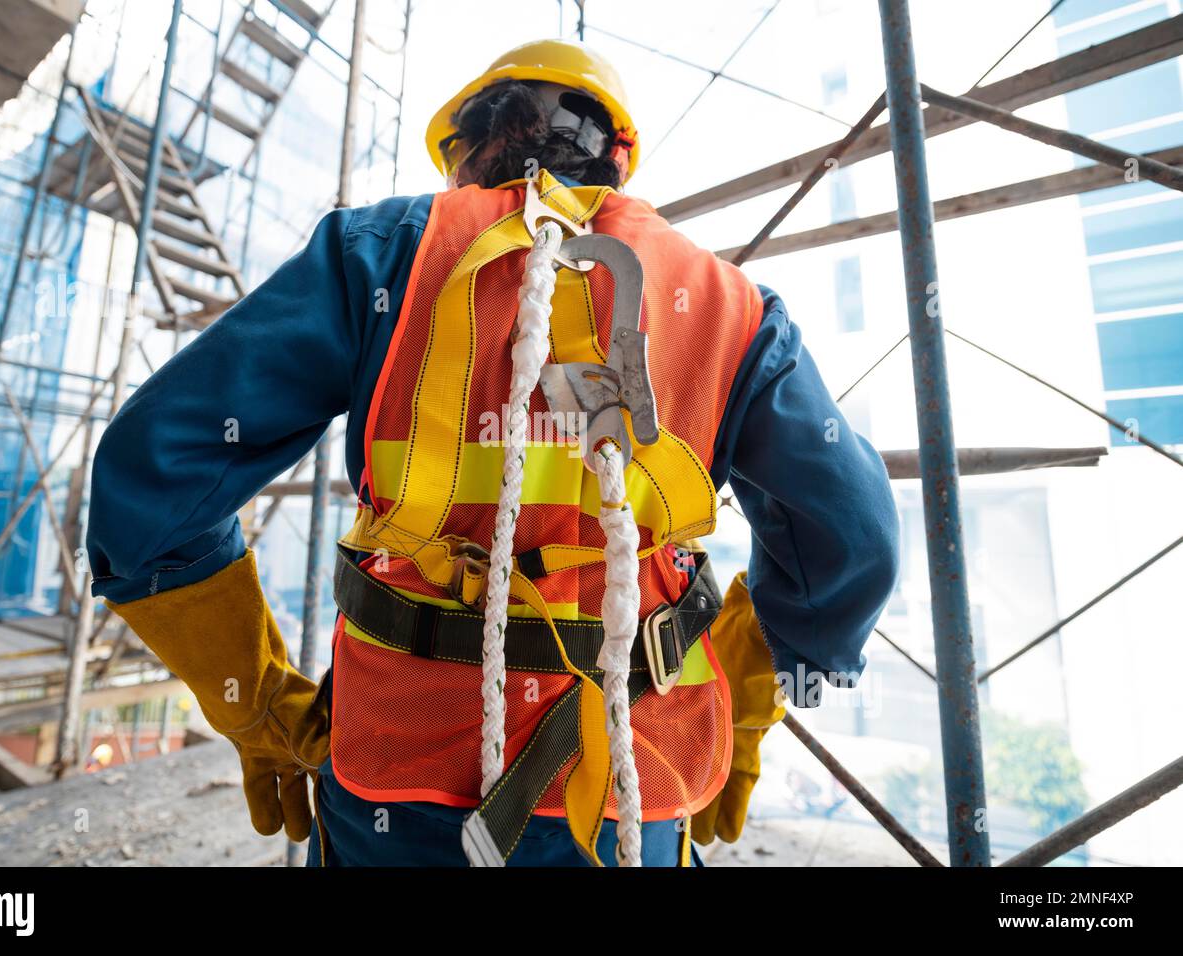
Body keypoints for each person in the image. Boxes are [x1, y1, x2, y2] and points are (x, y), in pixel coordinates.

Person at [88, 39, 899, 867]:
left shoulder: (381, 254)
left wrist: (256, 702)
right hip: (636, 777)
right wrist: (752, 686)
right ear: (617, 157)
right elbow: (854, 533)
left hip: (396, 776)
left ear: (467, 153)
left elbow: (150, 475)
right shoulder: (729, 305)